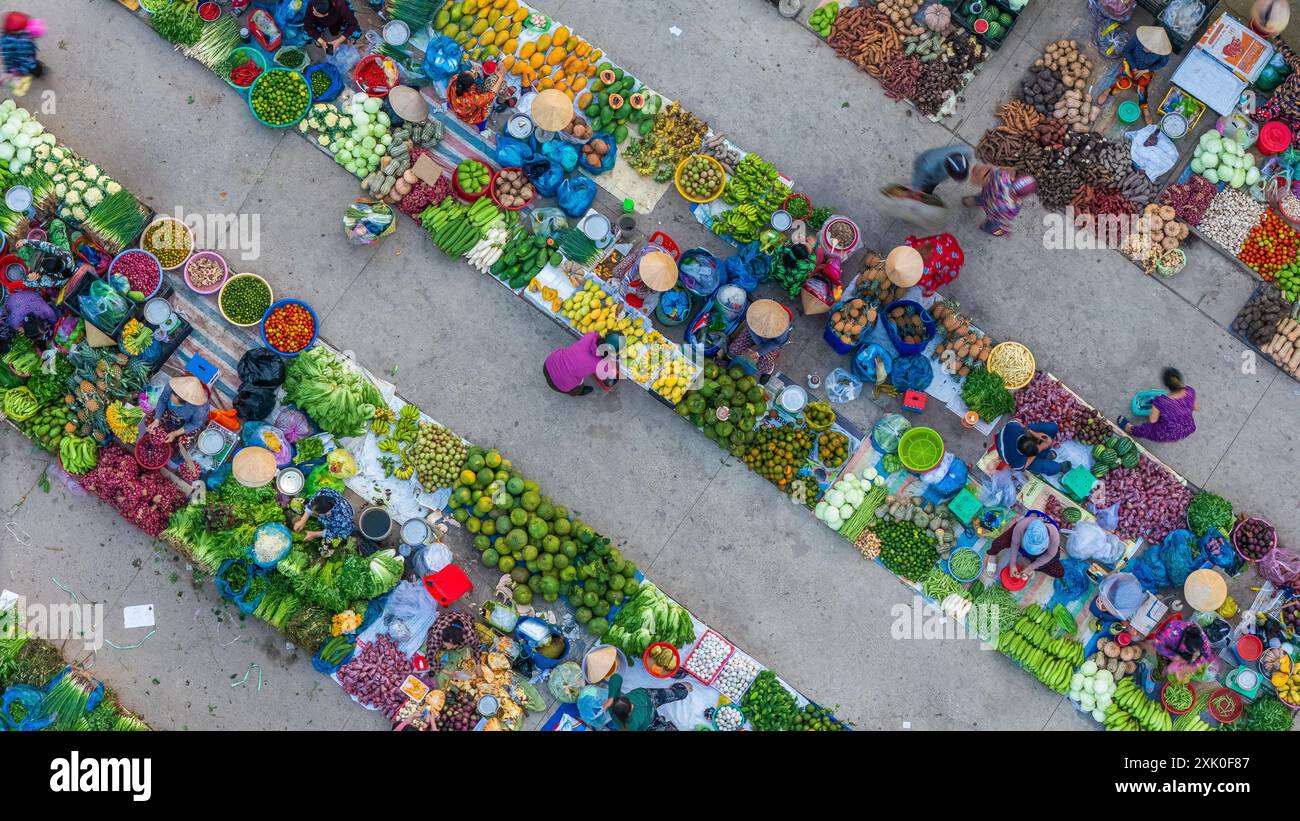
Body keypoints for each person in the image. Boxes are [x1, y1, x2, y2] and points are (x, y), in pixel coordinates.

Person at [1096, 26, 1171, 125]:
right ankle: (1108, 90)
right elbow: (1127, 51)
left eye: (1151, 50)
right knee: (1125, 82)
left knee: (1142, 85)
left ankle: (1144, 107)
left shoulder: (1162, 52)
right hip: (1131, 63)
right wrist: (1134, 68)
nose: (1147, 50)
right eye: (1146, 47)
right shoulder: (1137, 38)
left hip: (1146, 69)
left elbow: (1162, 63)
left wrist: (1145, 70)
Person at [145, 375, 211, 471]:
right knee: (150, 419)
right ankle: (156, 435)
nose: (173, 403)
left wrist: (175, 433)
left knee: (184, 443)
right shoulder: (172, 385)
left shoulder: (200, 408)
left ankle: (176, 454)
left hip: (186, 422)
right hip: (169, 413)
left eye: (177, 404)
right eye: (172, 398)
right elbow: (163, 400)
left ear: (187, 402)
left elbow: (195, 424)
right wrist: (156, 420)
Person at [1117, 368, 1197, 442]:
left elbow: (1153, 420)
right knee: (1169, 417)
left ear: (1166, 386)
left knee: (1147, 430)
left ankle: (1130, 429)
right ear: (1179, 380)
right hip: (1187, 428)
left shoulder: (1161, 401)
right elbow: (1195, 407)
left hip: (1167, 433)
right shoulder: (1190, 391)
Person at [725, 299, 792, 386]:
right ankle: (730, 357)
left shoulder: (782, 329)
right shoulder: (754, 312)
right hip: (753, 333)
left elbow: (777, 343)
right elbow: (749, 327)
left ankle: (769, 370)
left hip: (770, 343)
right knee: (734, 349)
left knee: (762, 366)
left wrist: (759, 352)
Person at [603, 672, 692, 731]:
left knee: (681, 693)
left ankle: (679, 689)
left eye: (629, 701)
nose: (634, 704)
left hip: (649, 696)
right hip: (650, 720)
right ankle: (662, 723)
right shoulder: (630, 726)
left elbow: (616, 677)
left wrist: (611, 697)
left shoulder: (614, 700)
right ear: (628, 714)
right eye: (632, 707)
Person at [988, 512, 1065, 579]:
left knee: (1059, 572)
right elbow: (1015, 544)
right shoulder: (1020, 526)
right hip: (1019, 538)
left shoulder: (1054, 536)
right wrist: (1012, 564)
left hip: (1039, 554)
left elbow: (1049, 555)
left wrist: (1029, 568)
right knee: (999, 542)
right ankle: (992, 554)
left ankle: (1026, 562)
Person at [543, 331, 621, 396]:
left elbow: (596, 334)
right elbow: (610, 374)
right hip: (560, 384)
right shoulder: (603, 365)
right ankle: (580, 392)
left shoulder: (591, 336)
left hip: (549, 364)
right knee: (576, 388)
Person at [963, 167, 1036, 237]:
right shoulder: (1014, 206)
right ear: (1023, 196)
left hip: (987, 195)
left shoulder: (1003, 178)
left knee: (981, 198)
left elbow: (993, 175)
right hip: (993, 213)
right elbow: (1006, 217)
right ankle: (986, 228)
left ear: (1014, 179)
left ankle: (972, 201)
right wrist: (1006, 227)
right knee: (993, 224)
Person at [995, 418, 1072, 477]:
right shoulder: (1016, 461)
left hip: (1009, 435)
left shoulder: (1013, 427)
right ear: (1025, 456)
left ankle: (1043, 455)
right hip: (1005, 450)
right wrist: (1040, 448)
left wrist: (1036, 434)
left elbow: (1023, 426)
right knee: (1053, 468)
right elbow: (1023, 467)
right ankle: (1058, 467)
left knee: (1052, 427)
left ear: (1027, 436)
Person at [1149, 617, 1214, 682]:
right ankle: (1159, 671)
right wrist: (1174, 656)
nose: (1194, 654)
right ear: (1184, 642)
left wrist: (1193, 666)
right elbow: (1156, 645)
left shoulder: (1201, 637)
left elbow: (1207, 653)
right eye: (1190, 651)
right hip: (1170, 646)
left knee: (1187, 660)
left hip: (1180, 649)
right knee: (1164, 663)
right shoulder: (1170, 633)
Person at [903, 232, 964, 297]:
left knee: (940, 278)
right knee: (933, 242)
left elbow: (931, 285)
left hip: (954, 260)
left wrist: (927, 293)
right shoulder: (911, 246)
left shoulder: (923, 277)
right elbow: (910, 238)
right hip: (946, 240)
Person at [424, 609, 482, 673]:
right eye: (445, 645)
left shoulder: (469, 635)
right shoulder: (437, 633)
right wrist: (446, 671)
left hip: (465, 619)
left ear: (459, 643)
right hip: (444, 620)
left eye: (451, 647)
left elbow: (477, 647)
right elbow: (430, 656)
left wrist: (478, 666)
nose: (448, 648)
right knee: (432, 644)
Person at [1, 11, 43, 92]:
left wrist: (9, 68)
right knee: (36, 69)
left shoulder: (5, 37)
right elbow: (25, 58)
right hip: (24, 64)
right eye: (24, 27)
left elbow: (6, 55)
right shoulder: (22, 43)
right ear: (17, 30)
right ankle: (39, 73)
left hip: (15, 64)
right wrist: (32, 65)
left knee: (17, 72)